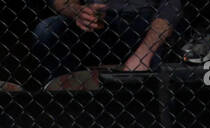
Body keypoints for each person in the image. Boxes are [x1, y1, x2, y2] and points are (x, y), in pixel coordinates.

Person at [33, 0, 181, 82]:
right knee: (48, 29)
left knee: (160, 57)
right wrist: (78, 11)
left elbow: (170, 8)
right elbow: (61, 2)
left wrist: (144, 54)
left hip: (143, 22)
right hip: (98, 20)